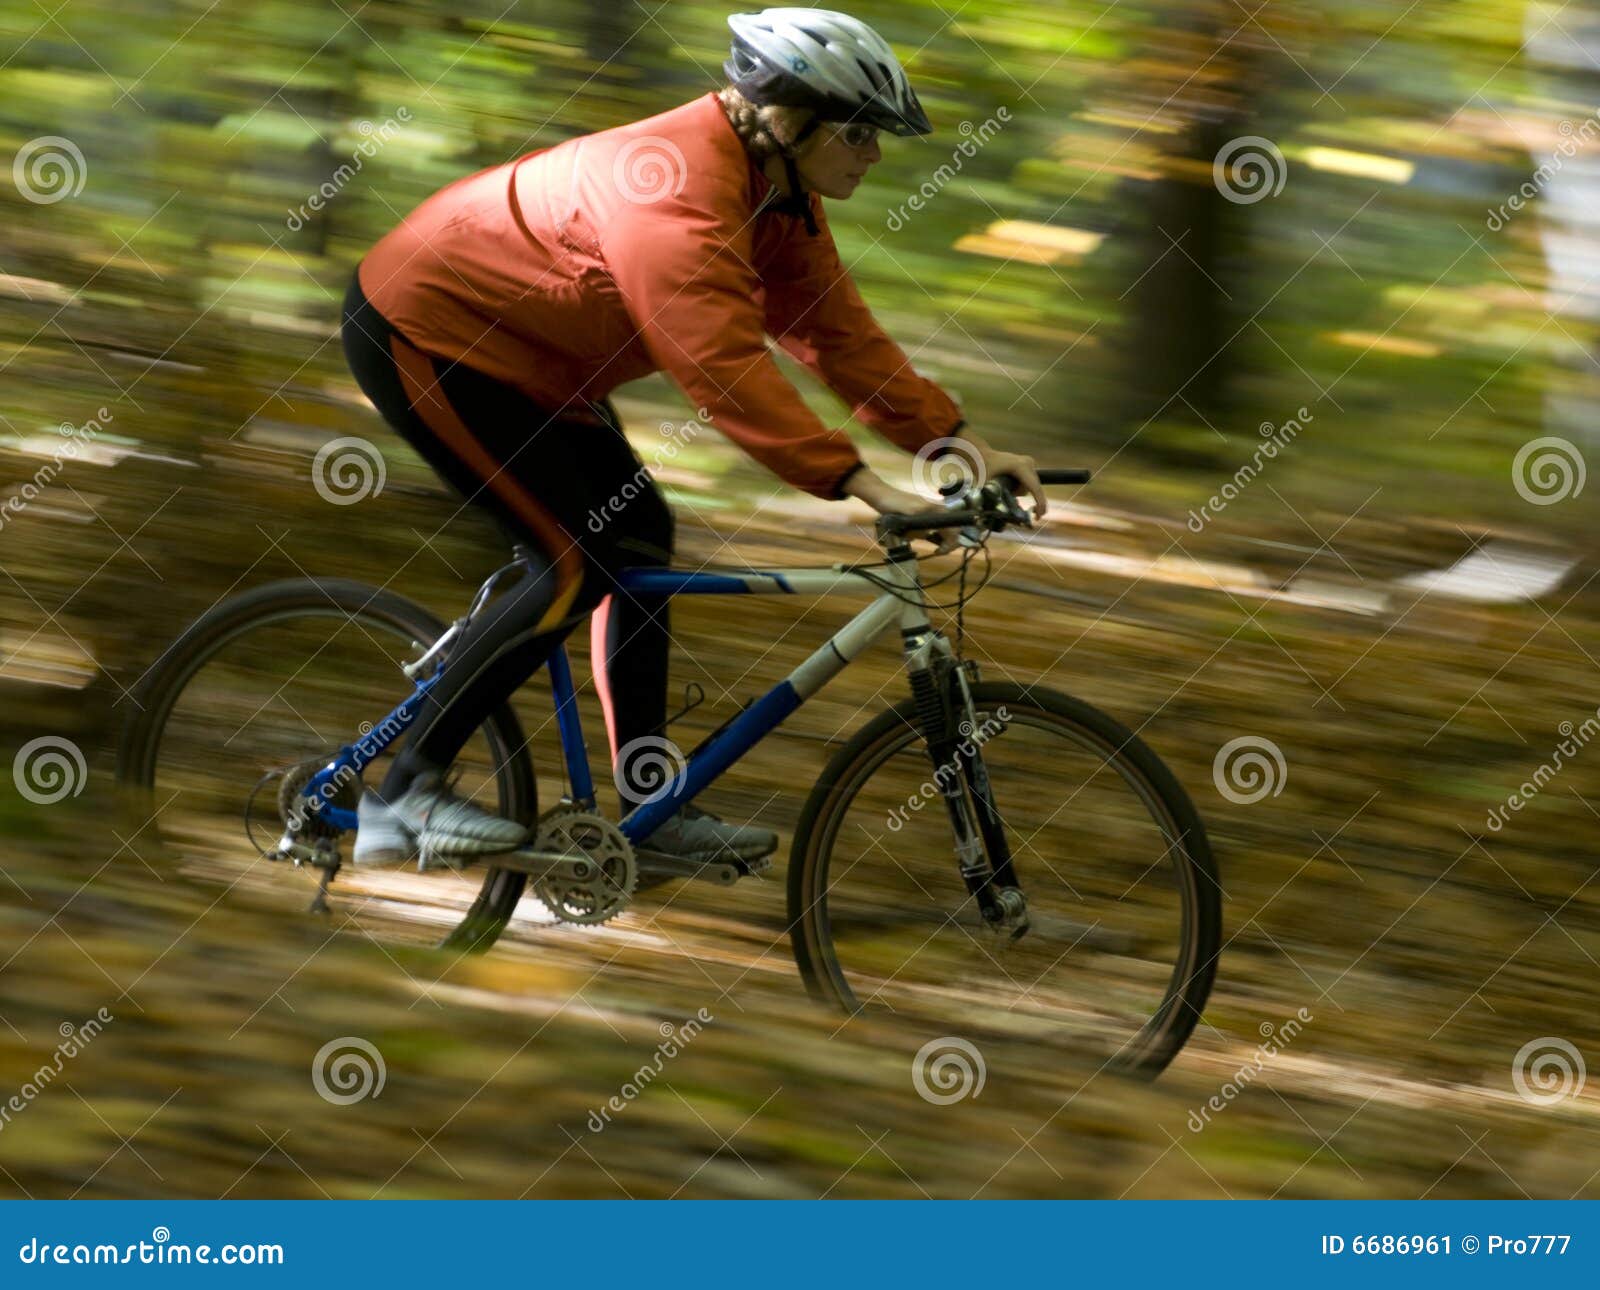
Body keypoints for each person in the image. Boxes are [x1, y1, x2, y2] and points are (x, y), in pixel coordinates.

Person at [340, 7, 1044, 869]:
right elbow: (721, 365)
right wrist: (861, 484)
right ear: (789, 120)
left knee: (638, 541)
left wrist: (958, 446)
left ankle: (651, 808)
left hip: (540, 365)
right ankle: (403, 795)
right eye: (861, 134)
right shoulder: (670, 189)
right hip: (430, 334)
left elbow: (836, 335)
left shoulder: (778, 195)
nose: (875, 154)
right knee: (571, 561)